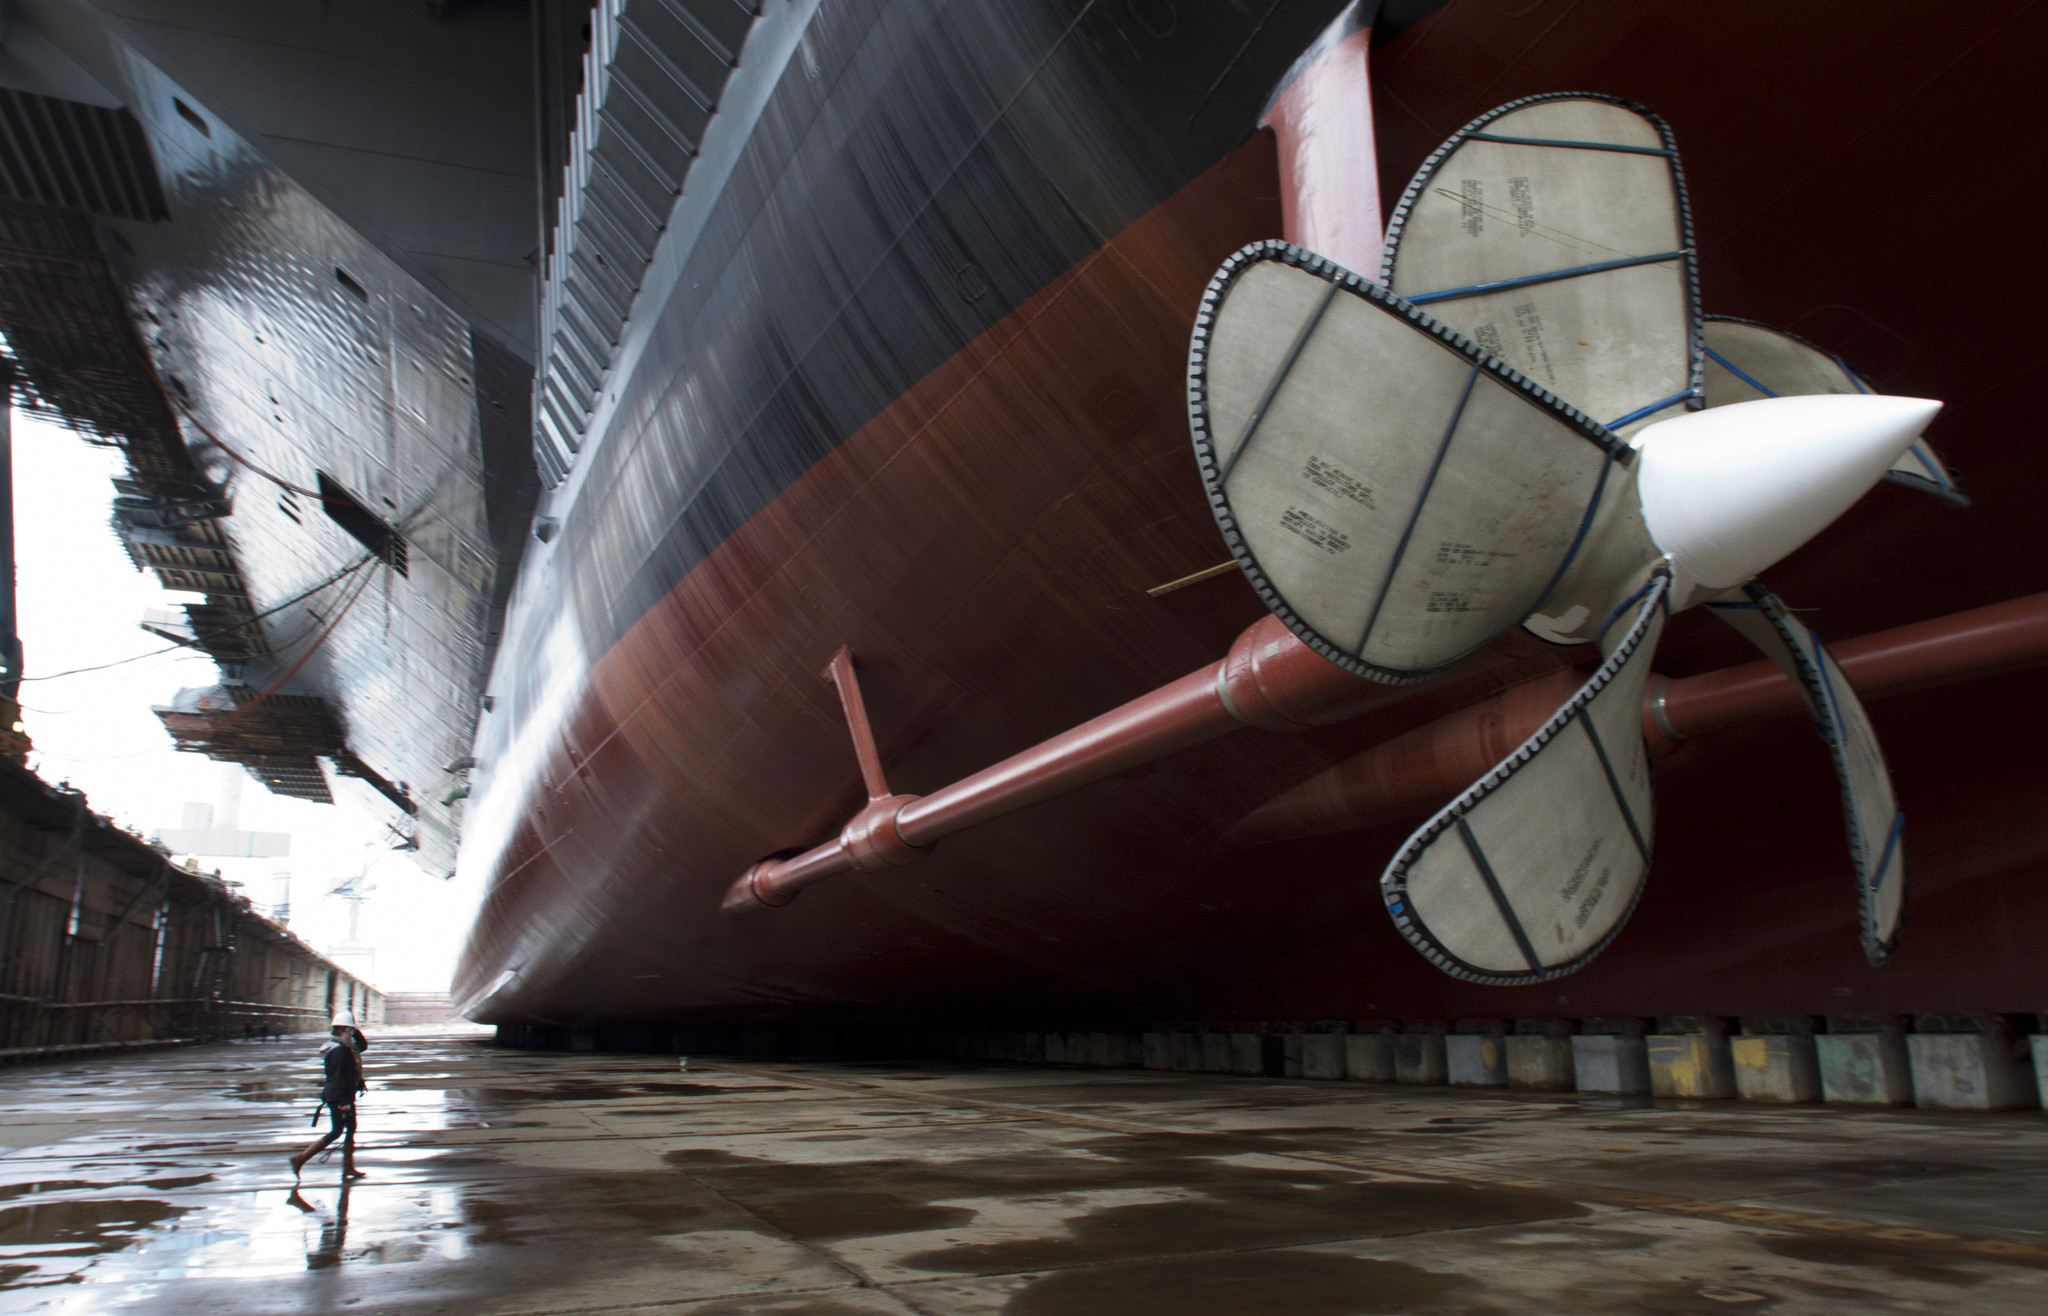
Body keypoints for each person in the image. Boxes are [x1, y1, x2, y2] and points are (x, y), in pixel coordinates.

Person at [290, 1010, 369, 1180]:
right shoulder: (339, 1051)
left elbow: (362, 1046)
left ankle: (348, 1167)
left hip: (343, 1096)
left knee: (349, 1129)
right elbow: (339, 1078)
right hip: (338, 1097)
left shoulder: (345, 1047)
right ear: (343, 1030)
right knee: (336, 1131)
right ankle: (300, 1159)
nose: (352, 1034)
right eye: (350, 1031)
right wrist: (344, 1103)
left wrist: (354, 1027)